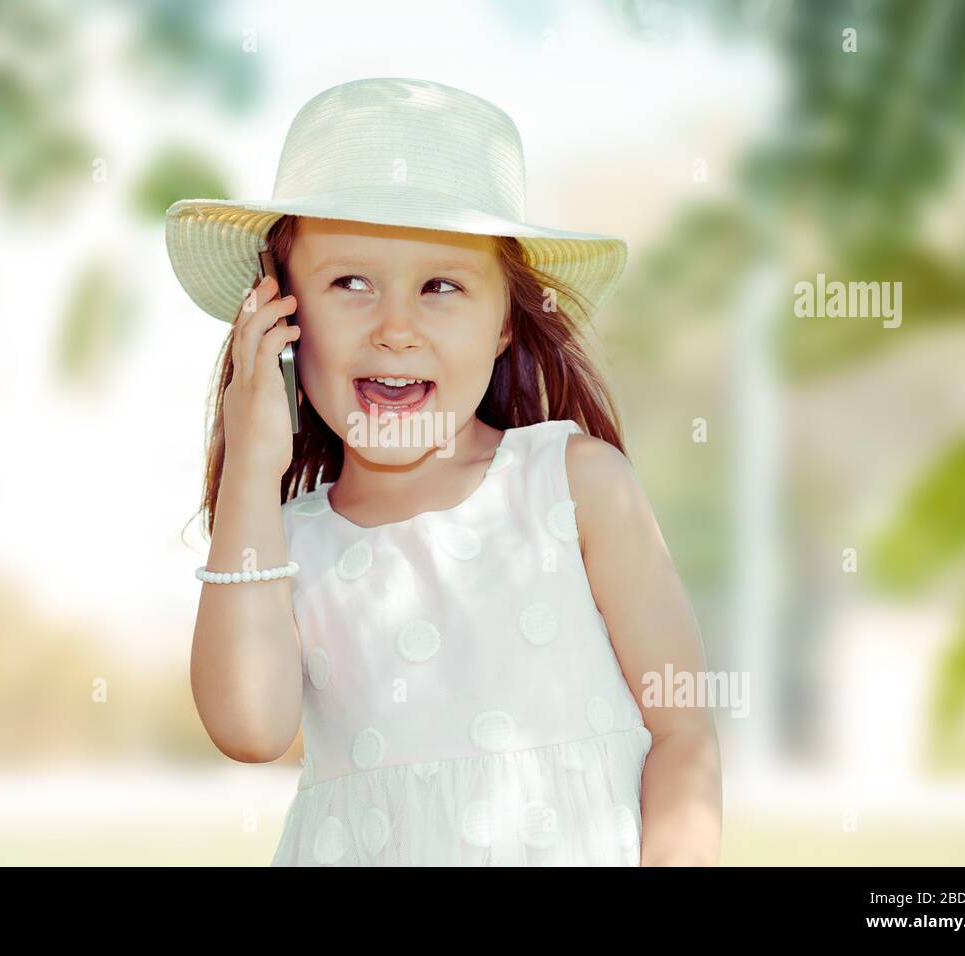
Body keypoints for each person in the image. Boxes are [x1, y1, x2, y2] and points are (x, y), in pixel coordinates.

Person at [168, 77, 720, 865]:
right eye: (349, 283)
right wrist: (250, 472)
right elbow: (249, 729)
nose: (396, 328)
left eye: (442, 286)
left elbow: (683, 729)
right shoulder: (282, 541)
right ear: (283, 315)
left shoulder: (575, 484)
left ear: (503, 325)